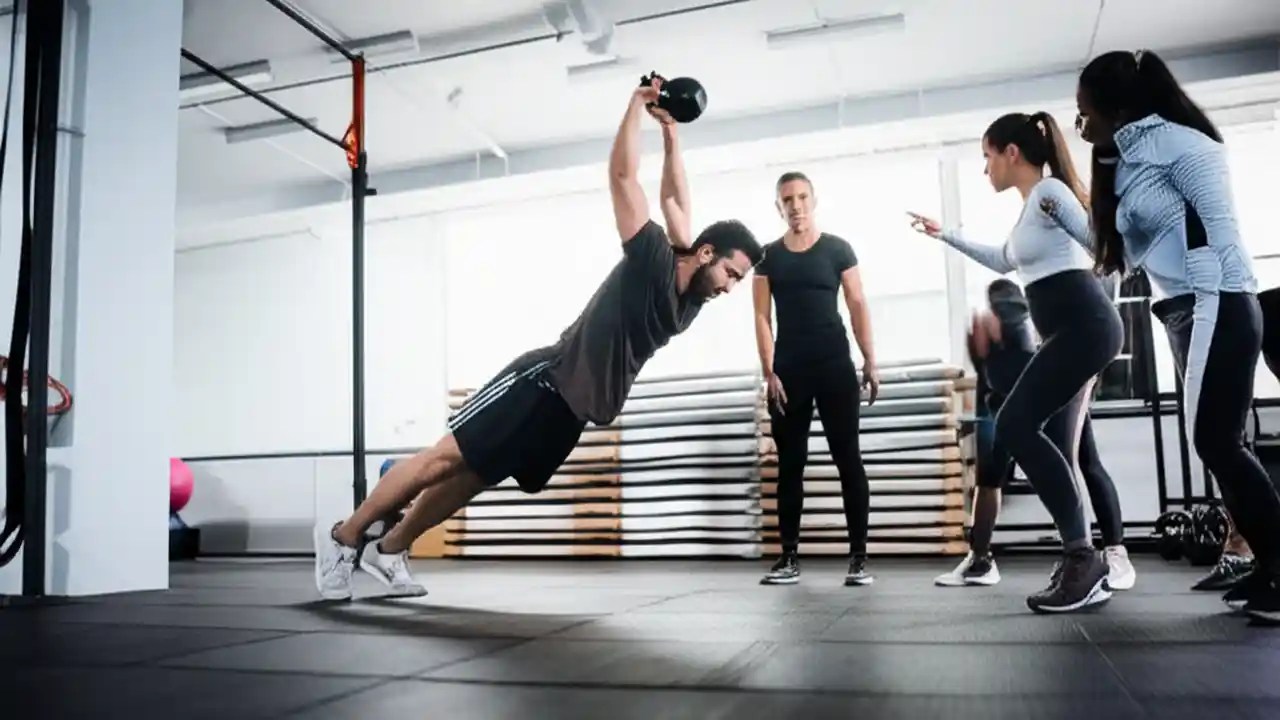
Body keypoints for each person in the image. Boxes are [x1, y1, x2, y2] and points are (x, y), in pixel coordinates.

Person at [312, 80, 763, 601]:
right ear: (707, 254)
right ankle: (344, 537)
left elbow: (675, 198)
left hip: (570, 413)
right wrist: (636, 107)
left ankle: (388, 551)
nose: (731, 288)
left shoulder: (692, 297)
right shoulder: (653, 258)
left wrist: (672, 136)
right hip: (543, 382)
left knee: (472, 481)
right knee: (443, 462)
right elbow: (624, 178)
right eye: (732, 273)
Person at [1075, 49, 1280, 623]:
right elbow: (1110, 250)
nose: (1082, 125)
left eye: (1084, 112)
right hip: (1188, 310)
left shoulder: (1185, 146)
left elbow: (1223, 239)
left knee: (1218, 442)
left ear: (1115, 108)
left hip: (1223, 303)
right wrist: (1054, 203)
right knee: (1214, 444)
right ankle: (1269, 567)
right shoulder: (1130, 160)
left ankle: (1279, 567)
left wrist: (1210, 314)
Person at [907, 110, 1125, 613]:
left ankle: (1083, 558)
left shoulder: (1050, 194)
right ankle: (1081, 557)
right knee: (1028, 430)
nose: (985, 170)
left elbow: (1101, 245)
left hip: (1084, 326)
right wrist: (944, 235)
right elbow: (1003, 259)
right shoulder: (1032, 209)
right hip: (1070, 333)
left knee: (1016, 424)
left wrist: (1121, 243)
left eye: (987, 157)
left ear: (1011, 153)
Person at [935, 279, 1134, 591]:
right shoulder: (989, 338)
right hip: (1006, 398)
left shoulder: (1041, 323)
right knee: (989, 476)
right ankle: (980, 559)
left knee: (1079, 462)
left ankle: (1108, 554)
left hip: (1060, 394)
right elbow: (988, 383)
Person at [753, 171, 880, 587]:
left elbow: (857, 302)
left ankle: (859, 558)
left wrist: (870, 360)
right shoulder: (768, 256)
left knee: (849, 460)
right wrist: (768, 371)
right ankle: (788, 557)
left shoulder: (838, 249)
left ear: (814, 200)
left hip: (834, 368)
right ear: (778, 206)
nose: (796, 205)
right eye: (787, 199)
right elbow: (761, 316)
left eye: (802, 197)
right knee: (791, 465)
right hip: (788, 373)